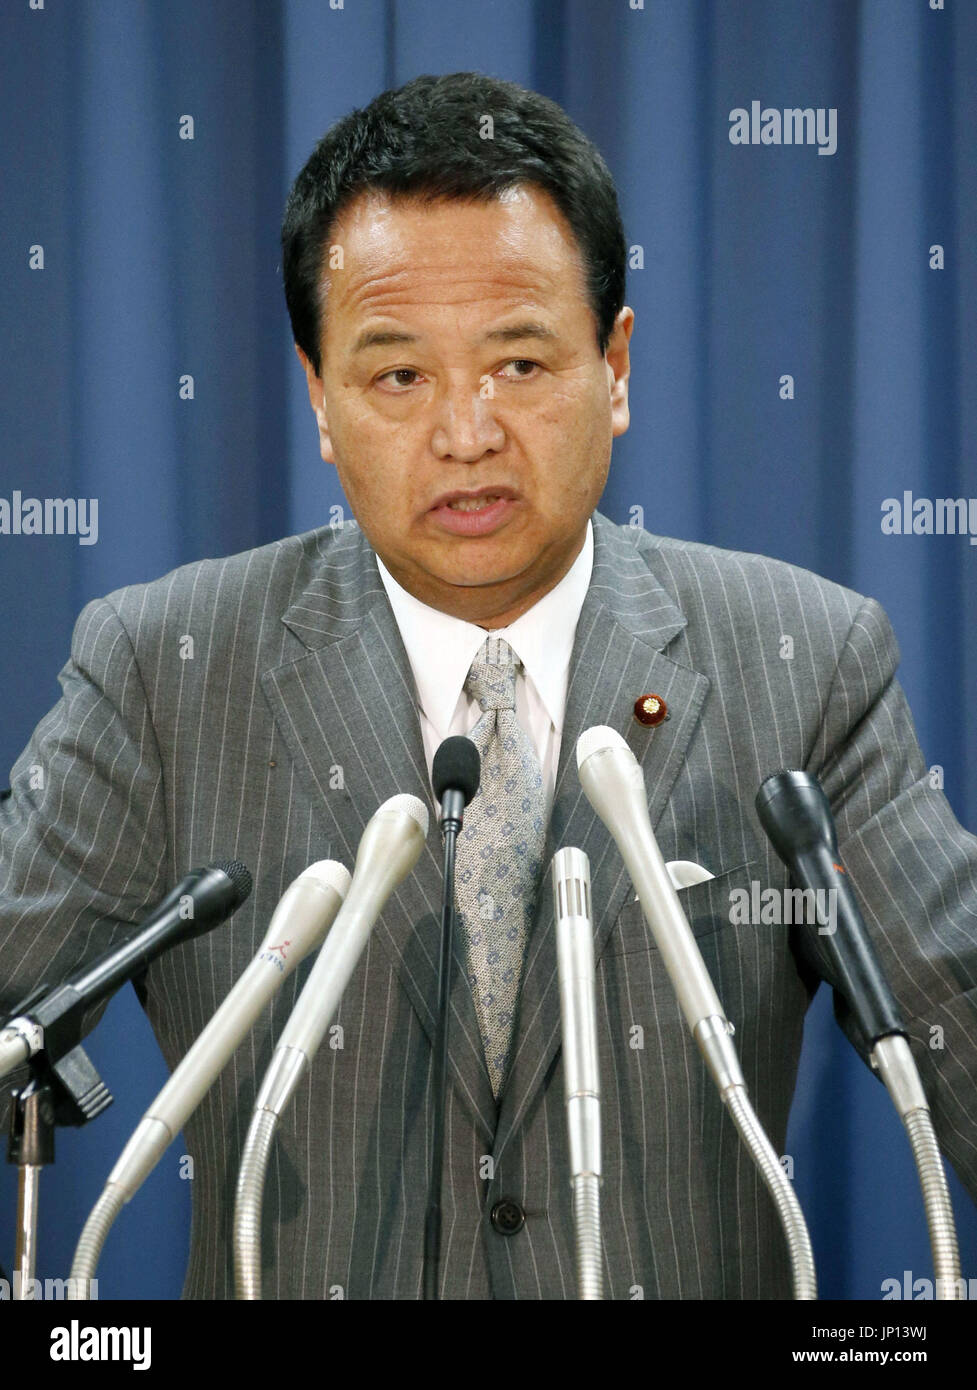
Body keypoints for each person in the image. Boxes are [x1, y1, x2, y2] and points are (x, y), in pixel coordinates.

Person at [2, 71, 976, 1300]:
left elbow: (955, 1020)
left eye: (520, 363)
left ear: (613, 367)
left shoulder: (800, 656)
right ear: (318, 397)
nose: (465, 433)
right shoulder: (166, 668)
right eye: (399, 377)